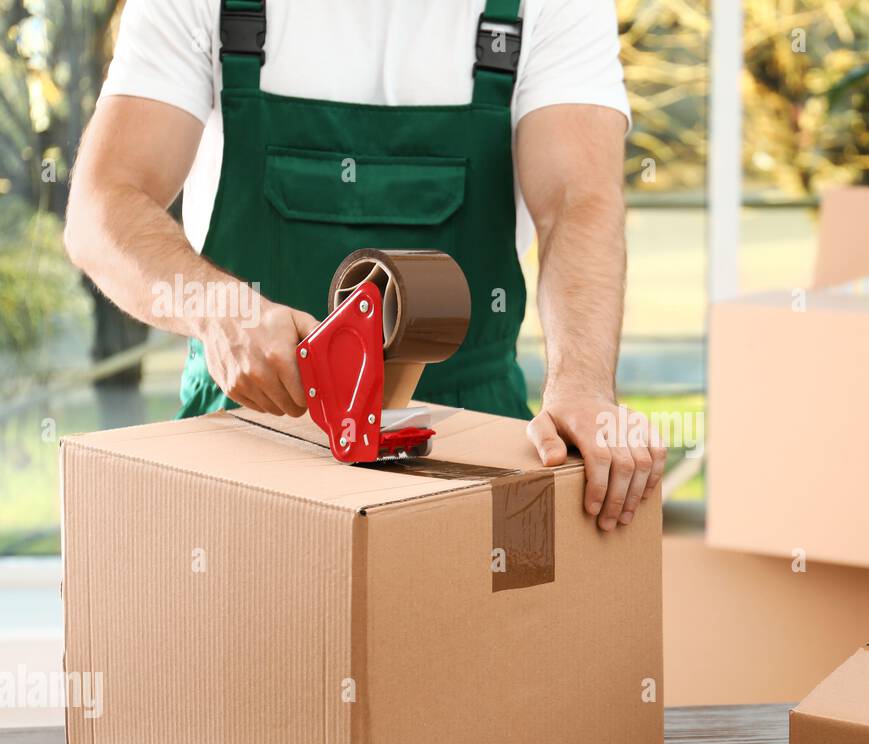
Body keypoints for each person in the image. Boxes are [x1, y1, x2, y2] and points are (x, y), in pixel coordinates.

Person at [64, 0, 665, 532]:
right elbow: (103, 204)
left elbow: (577, 203)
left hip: (472, 438)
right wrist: (219, 312)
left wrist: (584, 387)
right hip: (247, 429)